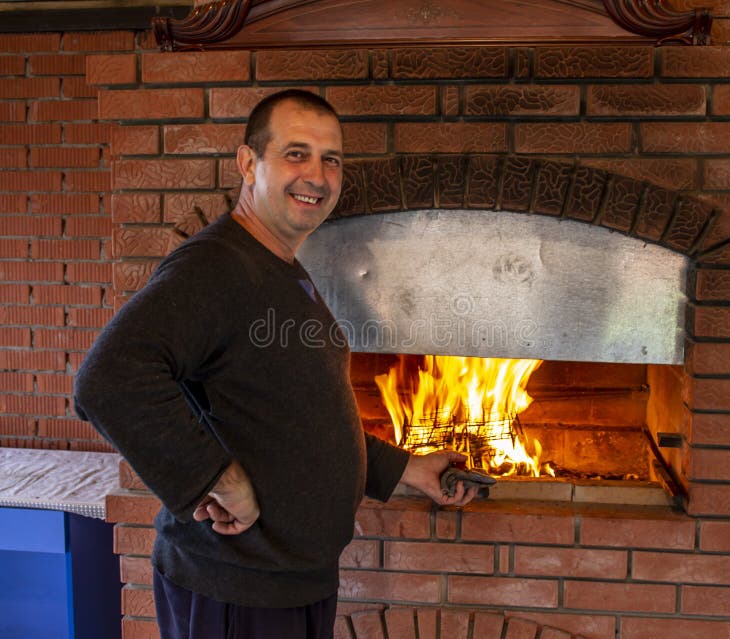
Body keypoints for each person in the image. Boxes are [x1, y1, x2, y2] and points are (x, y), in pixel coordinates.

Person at [73, 89, 476, 639]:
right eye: (296, 153)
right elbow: (109, 379)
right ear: (247, 163)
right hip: (235, 590)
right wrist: (214, 477)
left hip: (292, 583)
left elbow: (299, 415)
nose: (317, 174)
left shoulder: (283, 270)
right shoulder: (215, 266)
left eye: (330, 159)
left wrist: (405, 469)